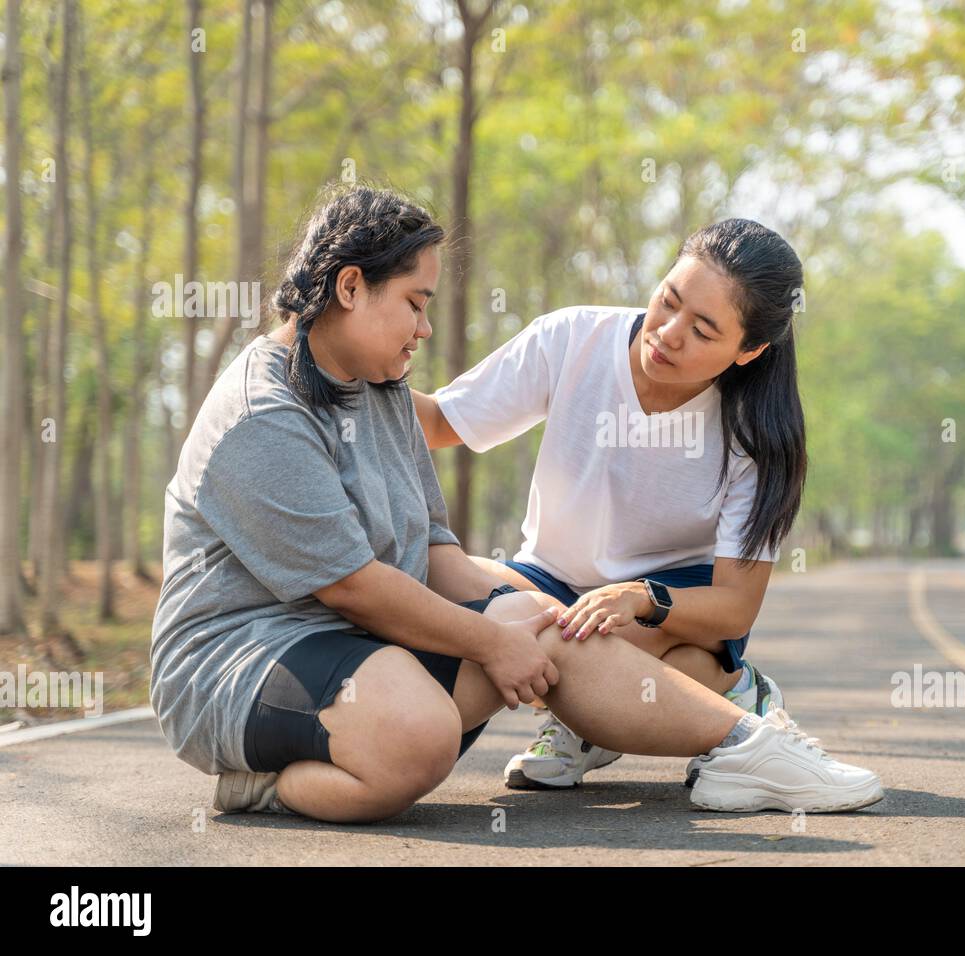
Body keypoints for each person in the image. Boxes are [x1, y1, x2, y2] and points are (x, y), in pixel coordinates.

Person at [148, 186, 885, 822]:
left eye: (702, 329)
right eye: (415, 303)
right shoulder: (265, 415)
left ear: (748, 349)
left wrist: (534, 618)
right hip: (243, 657)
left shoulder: (378, 389)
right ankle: (267, 784)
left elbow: (434, 549)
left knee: (546, 627)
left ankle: (750, 745)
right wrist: (495, 638)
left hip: (368, 639)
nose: (426, 328)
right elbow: (353, 585)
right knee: (425, 732)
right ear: (349, 289)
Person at [411, 218, 812, 791]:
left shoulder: (757, 435)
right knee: (436, 584)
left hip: (666, 606)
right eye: (668, 301)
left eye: (702, 330)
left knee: (622, 661)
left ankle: (726, 692)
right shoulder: (573, 339)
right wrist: (341, 361)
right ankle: (582, 718)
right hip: (544, 579)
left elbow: (734, 607)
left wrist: (642, 599)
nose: (668, 334)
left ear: (748, 350)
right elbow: (438, 422)